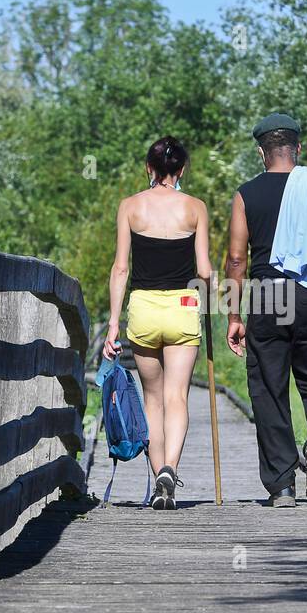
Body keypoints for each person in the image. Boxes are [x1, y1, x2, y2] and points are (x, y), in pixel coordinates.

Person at [225, 113, 307, 507]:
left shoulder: (246, 194)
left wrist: (234, 315)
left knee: (268, 387)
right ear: (297, 149)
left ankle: (283, 484)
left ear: (260, 152)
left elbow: (236, 260)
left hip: (268, 296)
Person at [103, 136, 212, 510]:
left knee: (153, 398)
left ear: (148, 168)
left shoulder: (130, 206)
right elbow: (203, 270)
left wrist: (114, 324)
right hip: (182, 306)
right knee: (176, 396)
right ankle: (170, 469)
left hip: (144, 309)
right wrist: (218, 302)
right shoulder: (195, 207)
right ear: (181, 170)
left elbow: (121, 268)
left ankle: (157, 484)